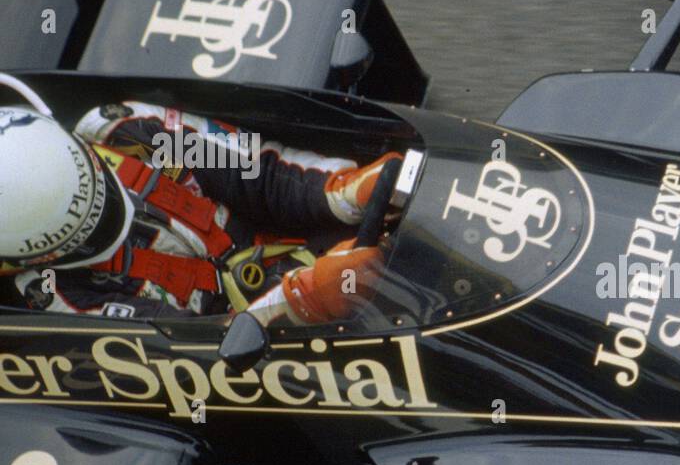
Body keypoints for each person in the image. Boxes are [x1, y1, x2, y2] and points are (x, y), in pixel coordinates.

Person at [0, 100, 395, 324]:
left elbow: (258, 170)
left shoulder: (127, 130)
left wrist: (343, 193)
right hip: (266, 348)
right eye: (94, 228)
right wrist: (300, 301)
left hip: (318, 247)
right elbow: (189, 355)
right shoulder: (54, 297)